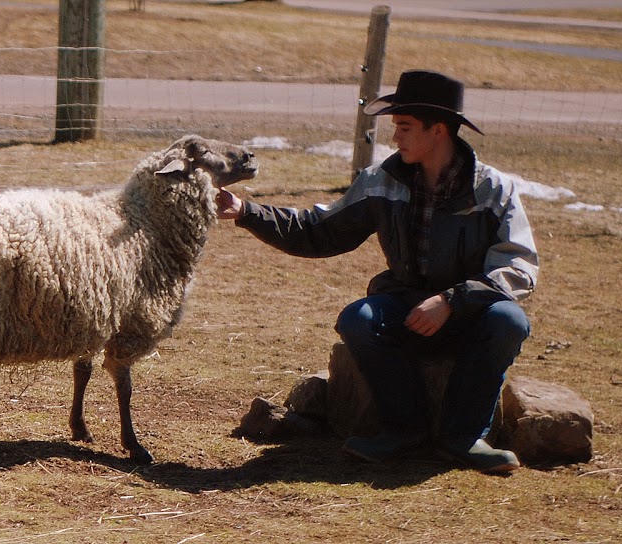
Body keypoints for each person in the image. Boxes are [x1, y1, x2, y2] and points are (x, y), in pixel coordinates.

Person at [216, 70, 538, 474]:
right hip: (405, 304)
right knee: (359, 319)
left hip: (472, 310)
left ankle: (463, 437)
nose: (395, 137)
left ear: (438, 130)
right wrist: (248, 212)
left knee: (509, 320)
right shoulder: (381, 181)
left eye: (404, 127)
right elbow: (319, 231)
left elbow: (518, 267)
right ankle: (404, 430)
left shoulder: (495, 190)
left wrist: (452, 301)